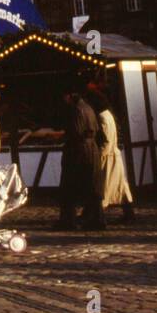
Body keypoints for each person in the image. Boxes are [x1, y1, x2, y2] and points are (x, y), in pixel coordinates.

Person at [59, 86, 104, 230]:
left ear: (70, 96)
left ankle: (68, 221)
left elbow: (75, 132)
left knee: (68, 187)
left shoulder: (76, 110)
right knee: (92, 188)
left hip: (79, 151)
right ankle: (96, 220)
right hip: (91, 150)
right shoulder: (88, 108)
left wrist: (62, 137)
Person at [89, 89, 134, 222]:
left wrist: (98, 156)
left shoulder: (103, 116)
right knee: (121, 187)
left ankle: (97, 215)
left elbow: (106, 140)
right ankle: (129, 213)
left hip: (108, 157)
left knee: (104, 186)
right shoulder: (108, 114)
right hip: (113, 155)